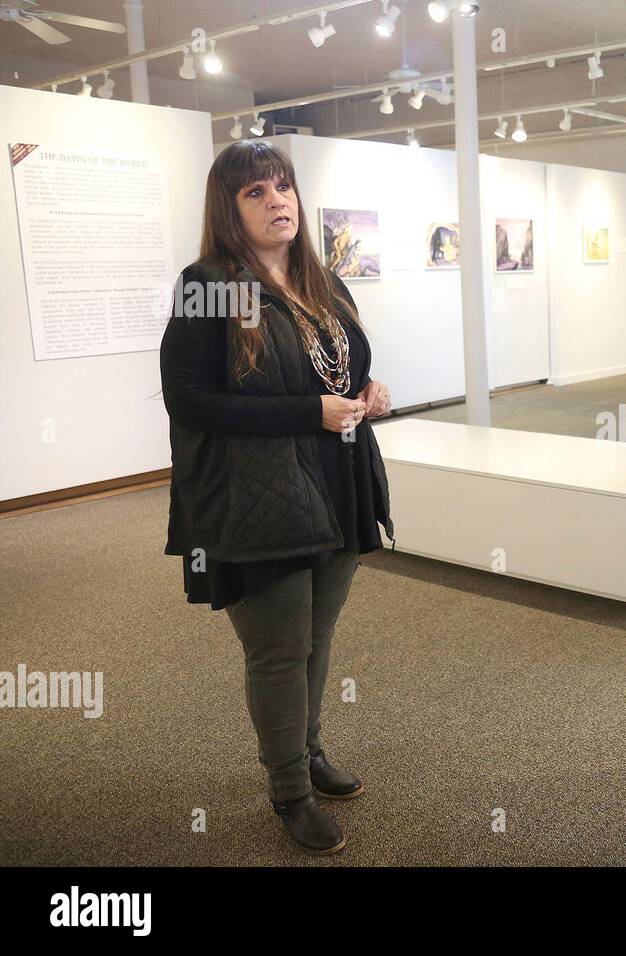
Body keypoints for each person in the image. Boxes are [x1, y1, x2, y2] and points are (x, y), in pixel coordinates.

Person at [160, 140, 395, 855]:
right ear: (228, 210)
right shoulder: (211, 285)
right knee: (277, 647)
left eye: (282, 186)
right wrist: (308, 413)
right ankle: (289, 789)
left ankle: (310, 749)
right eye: (255, 193)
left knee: (318, 637)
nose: (277, 202)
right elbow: (189, 401)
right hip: (261, 498)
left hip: (340, 481)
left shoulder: (324, 281)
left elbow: (342, 368)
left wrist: (367, 394)